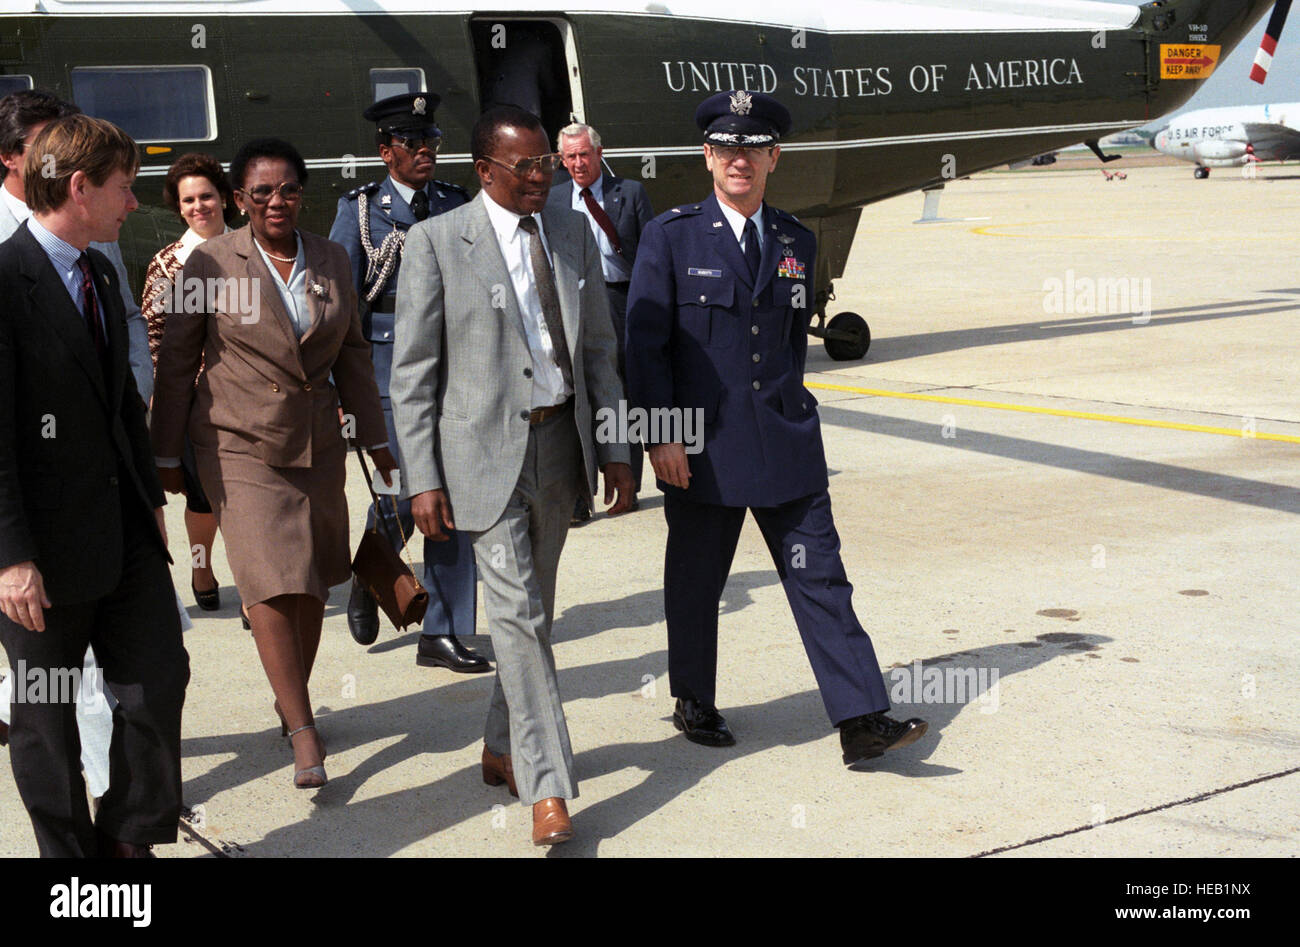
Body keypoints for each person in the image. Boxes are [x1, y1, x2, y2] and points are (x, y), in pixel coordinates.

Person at [625, 91, 928, 768]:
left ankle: (860, 718)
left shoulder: (796, 238)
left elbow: (789, 348)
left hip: (786, 442)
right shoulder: (670, 237)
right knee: (697, 582)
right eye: (726, 148)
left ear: (774, 157)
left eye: (753, 149)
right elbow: (644, 348)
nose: (740, 160)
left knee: (821, 576)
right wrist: (659, 436)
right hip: (700, 448)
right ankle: (694, 698)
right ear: (707, 157)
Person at [390, 105, 634, 845]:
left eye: (547, 165)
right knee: (520, 619)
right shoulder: (435, 243)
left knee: (537, 614)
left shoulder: (567, 231)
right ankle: (549, 783)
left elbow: (598, 350)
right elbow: (412, 373)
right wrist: (421, 477)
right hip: (479, 457)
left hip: (560, 446)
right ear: (485, 170)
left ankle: (499, 745)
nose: (542, 178)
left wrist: (616, 446)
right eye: (526, 167)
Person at [151, 138, 394, 790]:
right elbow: (176, 361)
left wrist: (376, 440)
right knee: (267, 580)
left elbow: (353, 356)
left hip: (315, 443)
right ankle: (304, 724)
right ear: (239, 199)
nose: (275, 201)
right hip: (237, 442)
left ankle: (290, 700)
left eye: (287, 189)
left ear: (301, 194)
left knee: (313, 579)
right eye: (260, 191)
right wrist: (164, 453)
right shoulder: (207, 265)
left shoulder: (333, 258)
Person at [0, 113, 189, 857]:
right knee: (46, 721)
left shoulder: (101, 269)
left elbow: (117, 408)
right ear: (79, 188)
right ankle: (71, 868)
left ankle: (130, 838)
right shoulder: (4, 284)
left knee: (156, 681)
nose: (133, 203)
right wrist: (10, 555)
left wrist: (148, 498)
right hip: (40, 554)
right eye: (123, 187)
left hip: (124, 533)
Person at [328, 93, 488, 672]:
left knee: (457, 493)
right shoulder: (360, 211)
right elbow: (341, 303)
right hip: (389, 372)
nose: (426, 152)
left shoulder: (453, 202)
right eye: (412, 143)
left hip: (455, 368)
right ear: (385, 150)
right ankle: (371, 578)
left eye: (432, 142)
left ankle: (442, 630)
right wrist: (338, 384)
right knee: (405, 493)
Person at [142, 153, 236, 612]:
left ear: (223, 199)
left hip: (250, 399)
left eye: (206, 196)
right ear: (178, 208)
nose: (199, 206)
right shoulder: (168, 264)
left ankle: (256, 589)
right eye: (189, 200)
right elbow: (153, 339)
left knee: (247, 499)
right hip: (196, 403)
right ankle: (201, 566)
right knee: (202, 501)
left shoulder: (253, 249)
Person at [548, 122, 654, 519]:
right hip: (570, 303)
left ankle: (628, 484)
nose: (578, 163)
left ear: (599, 153)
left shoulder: (629, 193)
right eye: (570, 156)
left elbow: (650, 254)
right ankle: (579, 493)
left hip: (619, 300)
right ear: (561, 159)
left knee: (620, 392)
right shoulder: (553, 200)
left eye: (584, 154)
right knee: (576, 394)